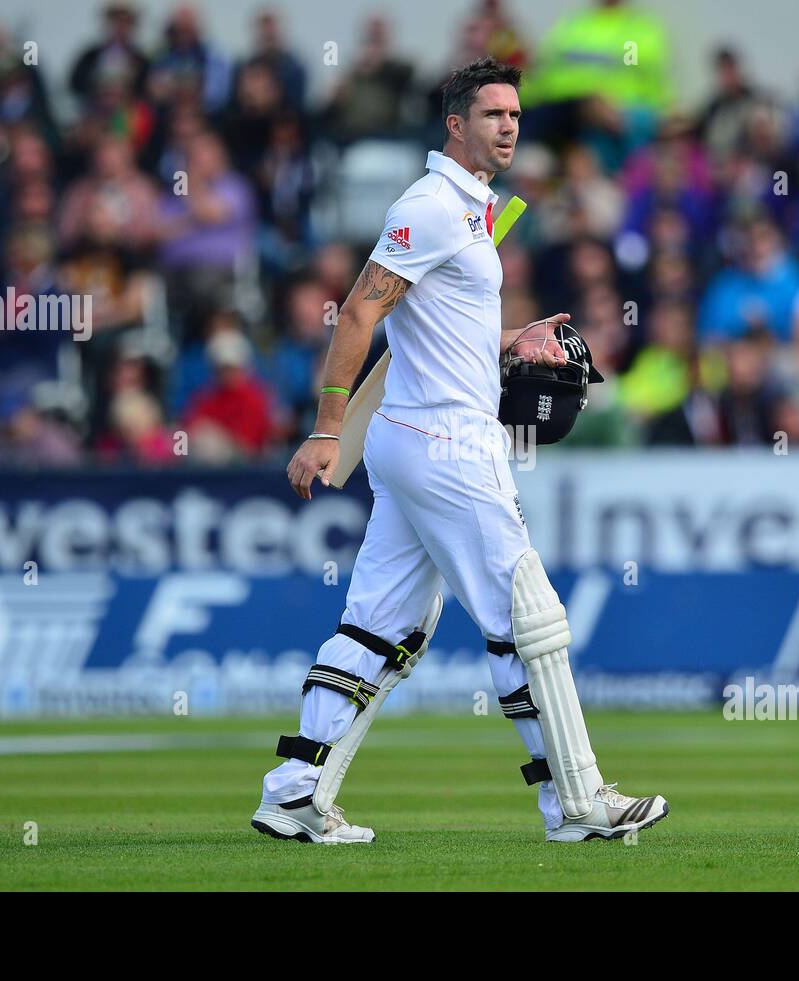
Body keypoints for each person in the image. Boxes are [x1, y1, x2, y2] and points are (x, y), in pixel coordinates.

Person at [254, 57, 667, 844]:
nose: (508, 126)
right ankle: (579, 803)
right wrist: (326, 426)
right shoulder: (433, 205)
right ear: (455, 125)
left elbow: (439, 325)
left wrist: (514, 341)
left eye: (514, 115)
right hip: (445, 441)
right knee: (529, 617)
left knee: (380, 627)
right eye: (491, 115)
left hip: (422, 437)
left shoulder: (476, 211)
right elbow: (357, 315)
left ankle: (296, 789)